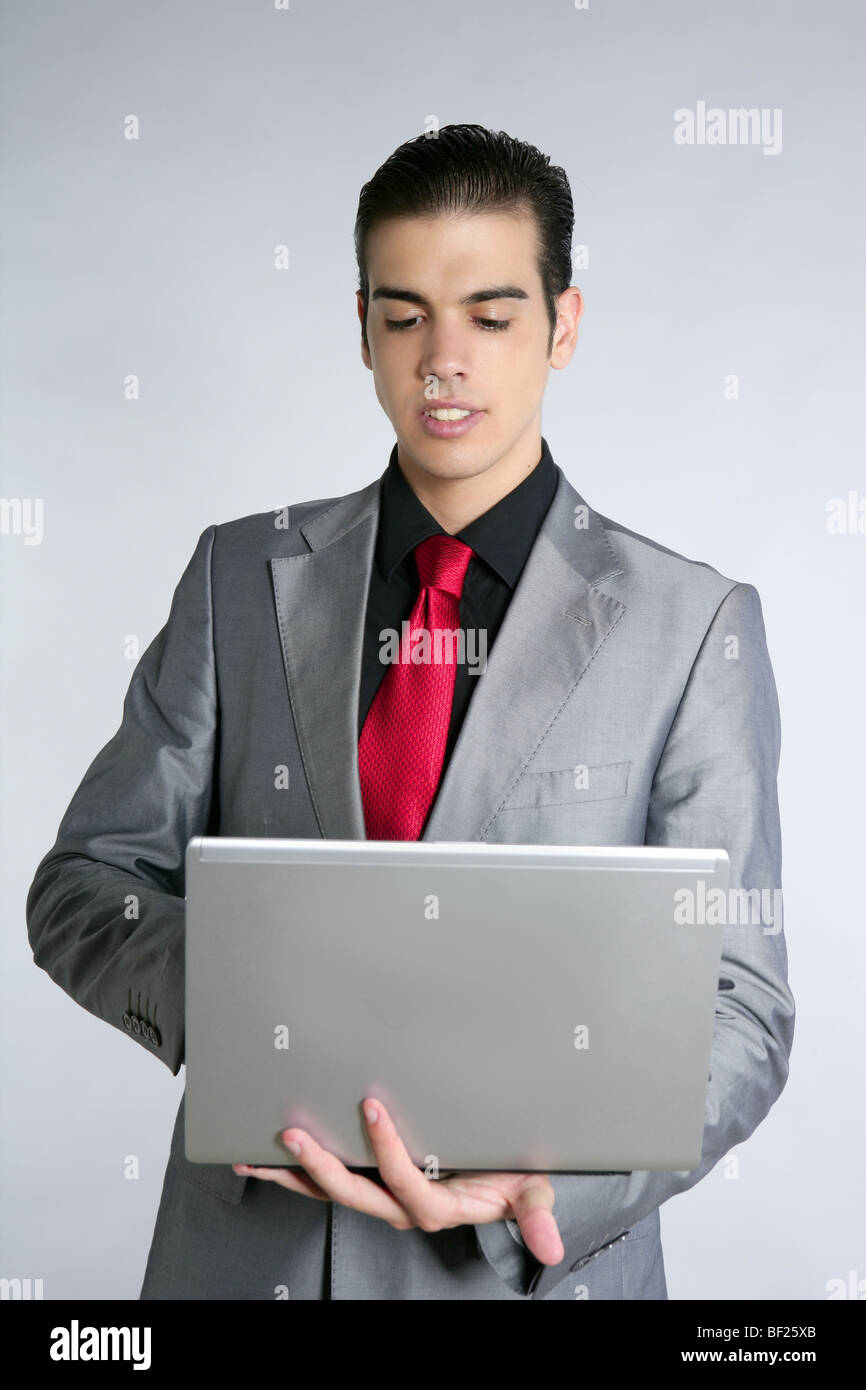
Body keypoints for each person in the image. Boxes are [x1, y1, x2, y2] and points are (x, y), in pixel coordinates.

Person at [25, 124, 795, 1301]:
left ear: (563, 325)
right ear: (362, 329)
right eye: (404, 317)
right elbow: (86, 880)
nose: (444, 360)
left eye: (489, 317)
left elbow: (738, 1003)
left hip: (528, 1274)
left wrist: (545, 1195)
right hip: (246, 1260)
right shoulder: (240, 578)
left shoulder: (690, 625)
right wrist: (247, 1004)